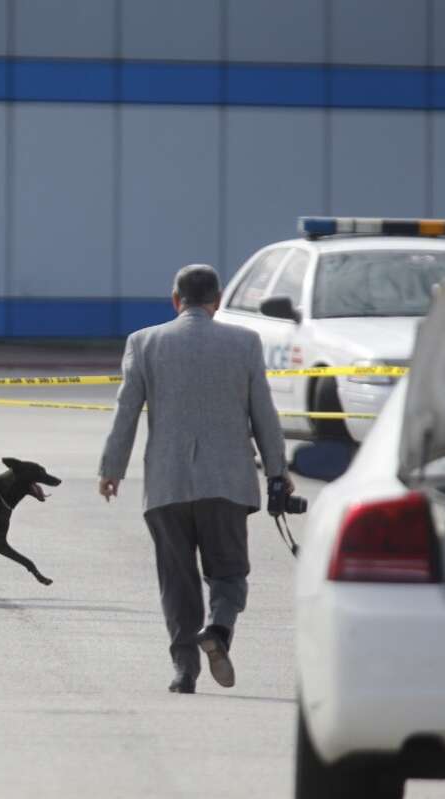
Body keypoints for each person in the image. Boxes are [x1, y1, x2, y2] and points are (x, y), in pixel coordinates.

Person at [97, 264, 291, 693]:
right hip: (226, 482)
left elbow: (126, 411)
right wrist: (278, 471)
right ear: (217, 300)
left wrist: (111, 469)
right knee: (228, 572)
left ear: (175, 300)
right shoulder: (244, 343)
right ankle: (218, 630)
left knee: (176, 579)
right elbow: (264, 414)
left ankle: (184, 670)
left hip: (166, 486)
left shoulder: (144, 342)